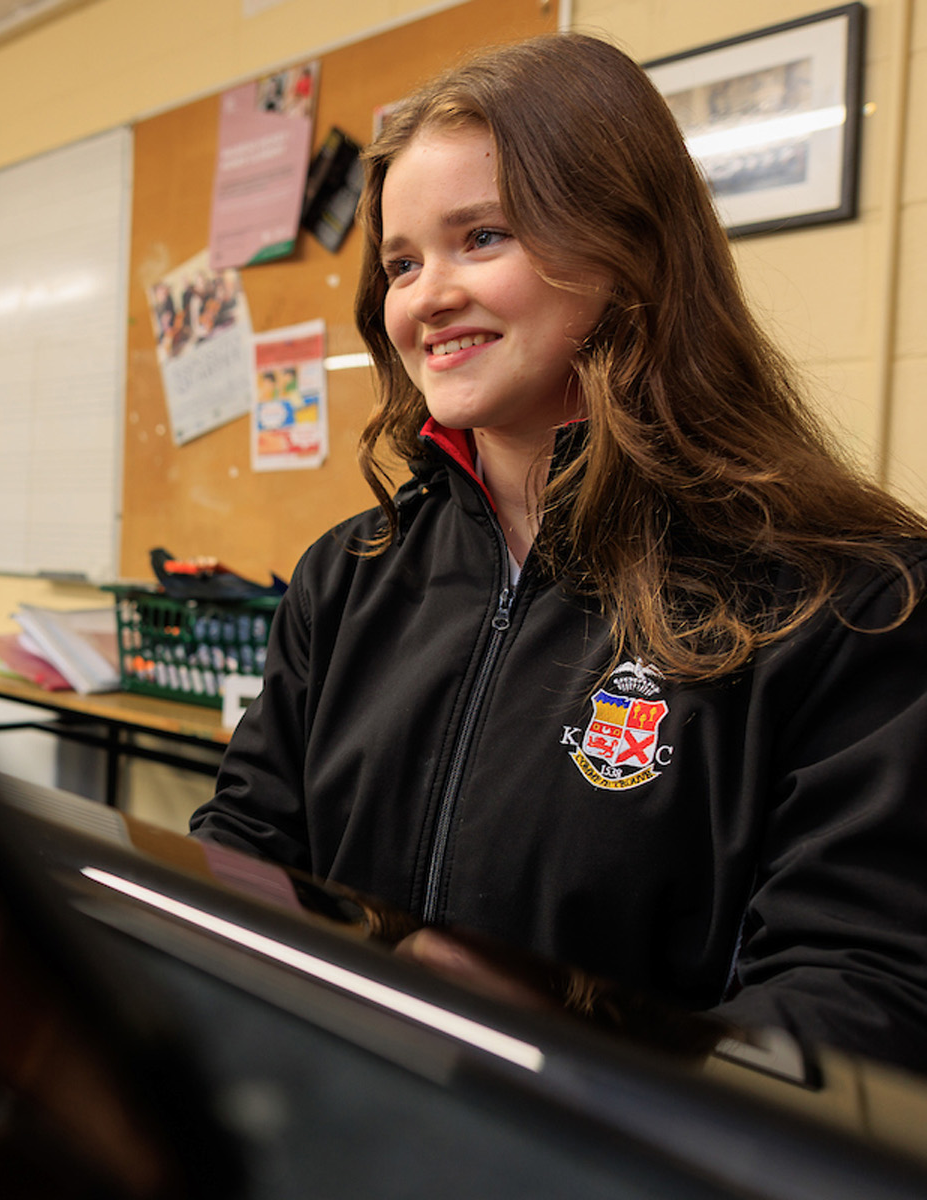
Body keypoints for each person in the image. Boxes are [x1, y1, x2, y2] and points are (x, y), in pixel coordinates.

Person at [189, 33, 927, 1074]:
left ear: (629, 251)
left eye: (481, 236)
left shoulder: (848, 596)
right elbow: (249, 848)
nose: (425, 295)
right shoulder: (347, 577)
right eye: (401, 263)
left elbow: (857, 993)